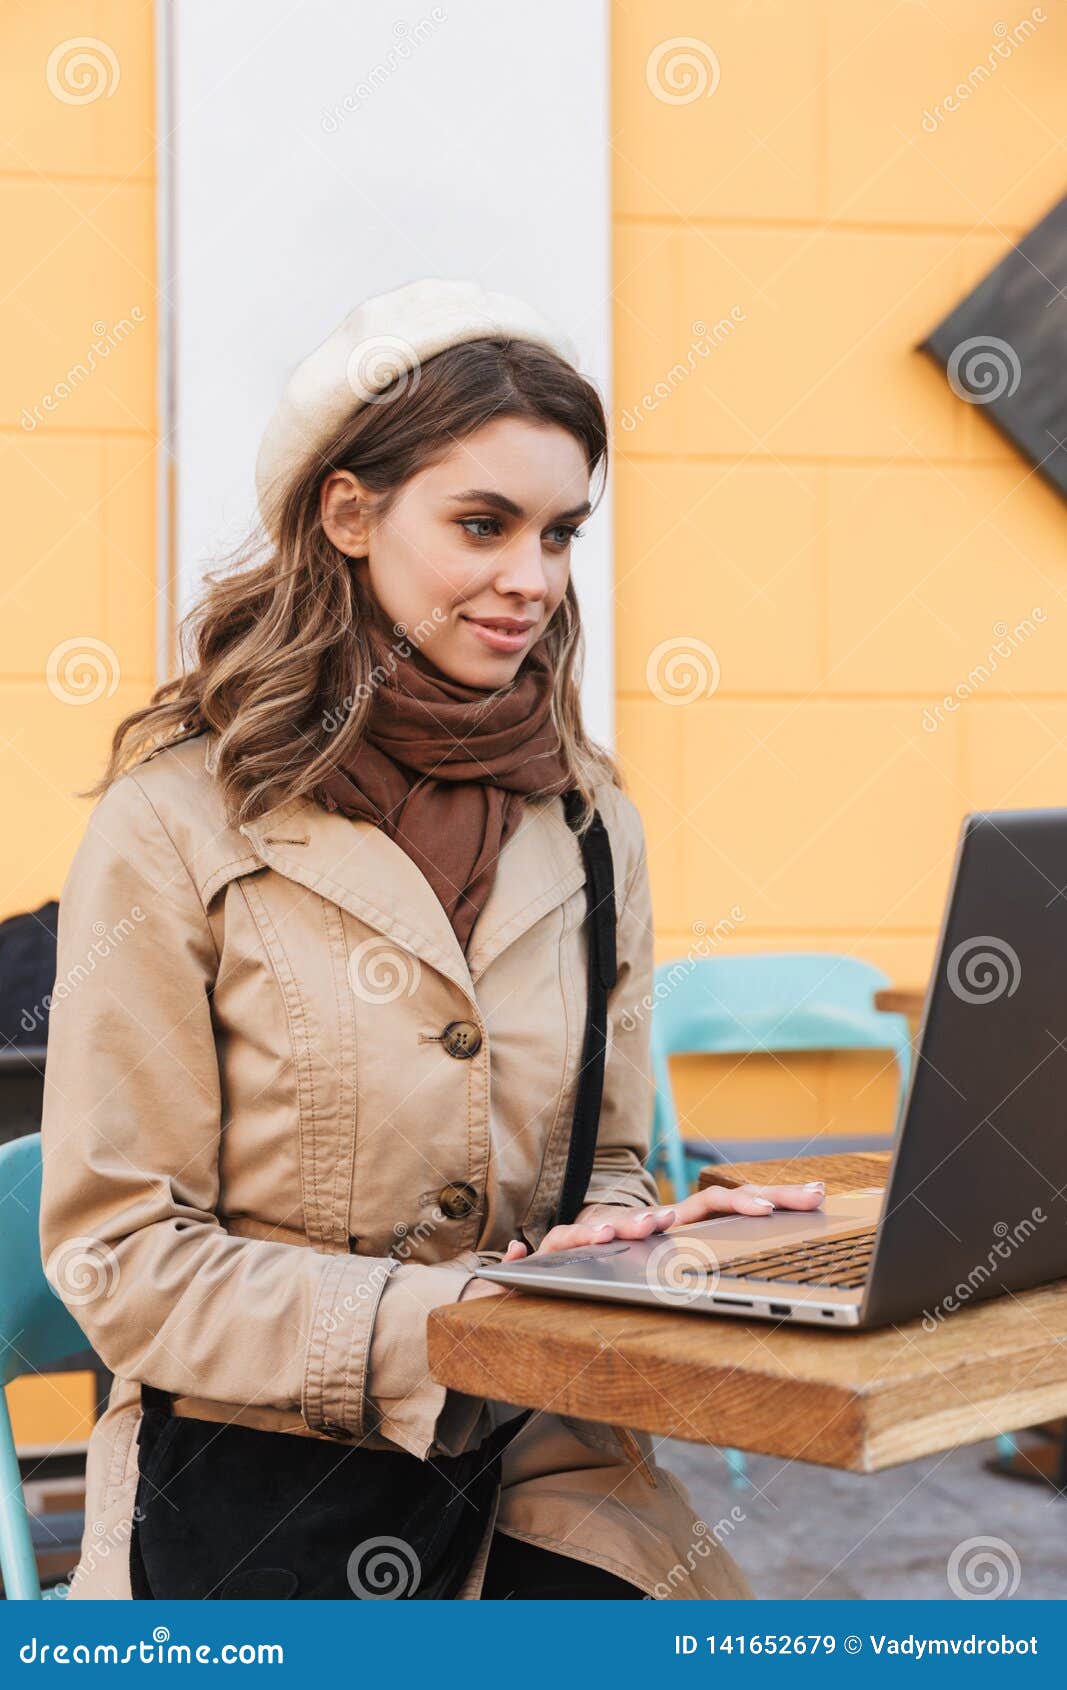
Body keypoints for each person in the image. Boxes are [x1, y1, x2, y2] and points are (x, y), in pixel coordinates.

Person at [39, 277, 825, 1600]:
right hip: (252, 1480)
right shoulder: (171, 823)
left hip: (541, 1468)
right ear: (349, 514)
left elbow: (612, 1158)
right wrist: (450, 1325)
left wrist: (640, 1253)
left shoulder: (587, 818)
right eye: (483, 524)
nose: (533, 578)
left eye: (561, 533)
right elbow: (127, 1258)